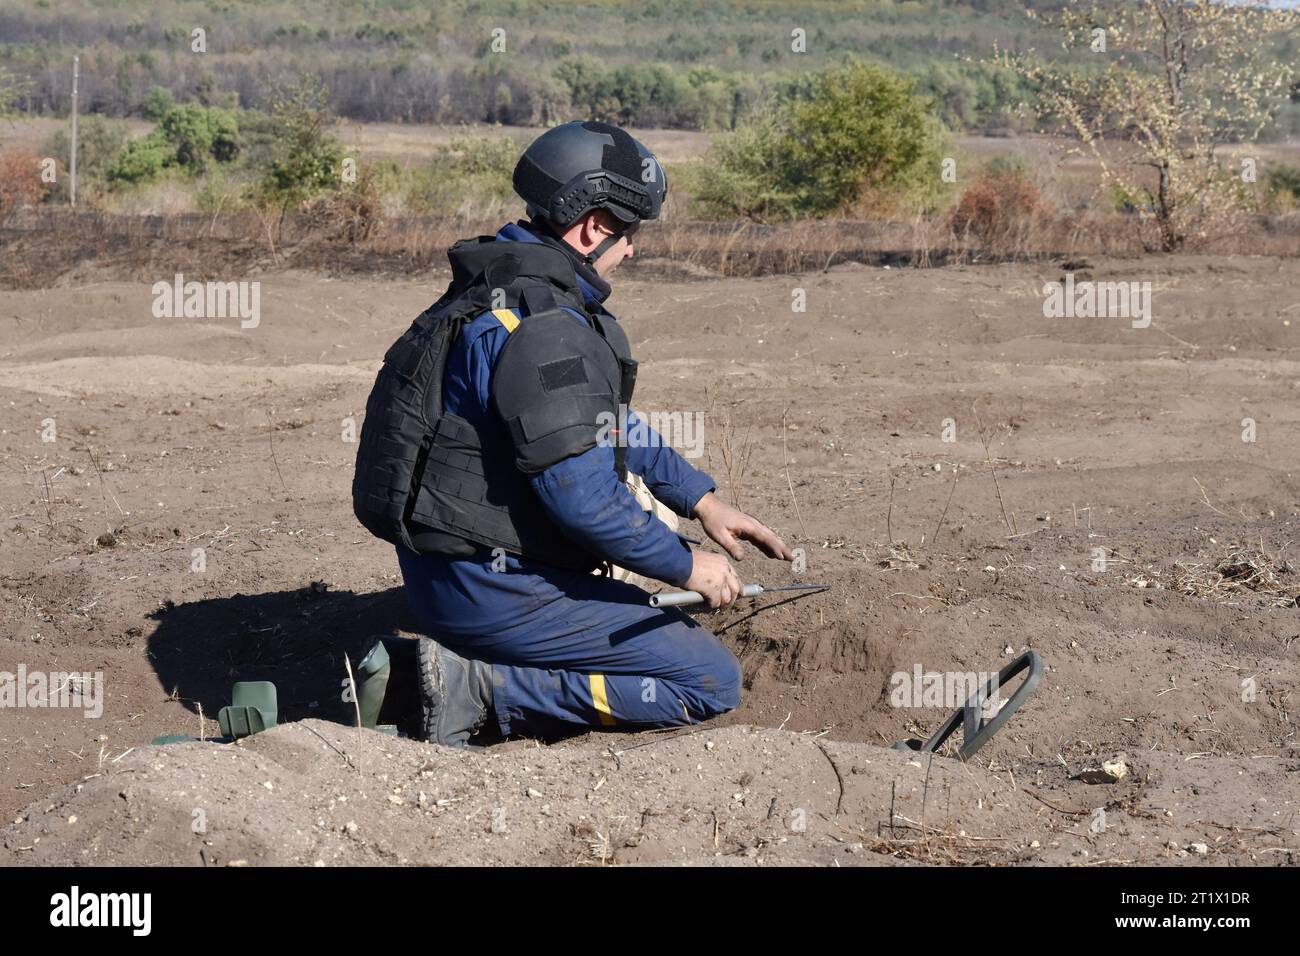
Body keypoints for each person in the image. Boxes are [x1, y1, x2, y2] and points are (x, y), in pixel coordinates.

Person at [352, 120, 792, 747]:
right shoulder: (546, 327)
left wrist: (699, 499)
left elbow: (598, 421)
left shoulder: (493, 293)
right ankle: (476, 690)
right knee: (709, 681)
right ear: (593, 227)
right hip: (491, 590)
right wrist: (684, 565)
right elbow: (583, 499)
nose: (633, 250)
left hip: (441, 577)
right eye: (630, 232)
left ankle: (482, 662)